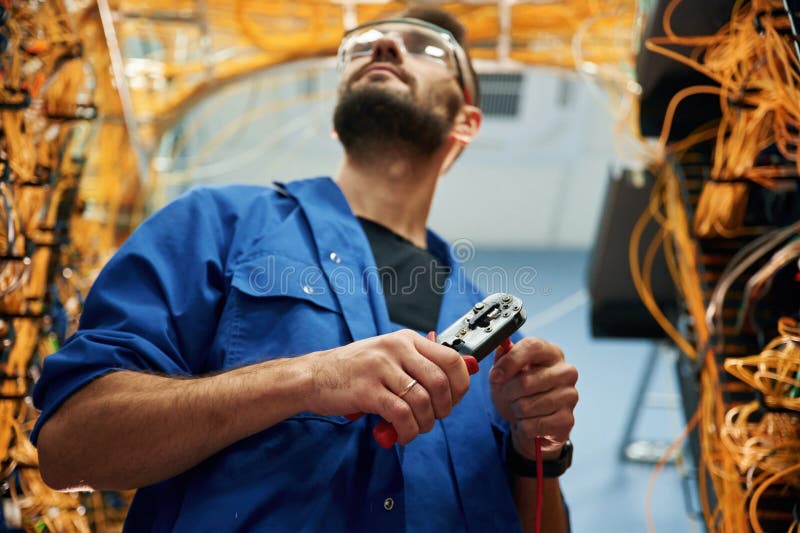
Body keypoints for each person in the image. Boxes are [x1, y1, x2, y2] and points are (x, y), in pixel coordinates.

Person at [32, 6, 579, 532]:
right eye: (363, 47)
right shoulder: (218, 224)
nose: (385, 46)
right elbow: (72, 446)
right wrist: (310, 379)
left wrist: (538, 452)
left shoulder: (500, 348)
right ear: (339, 113)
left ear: (466, 121)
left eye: (426, 49)